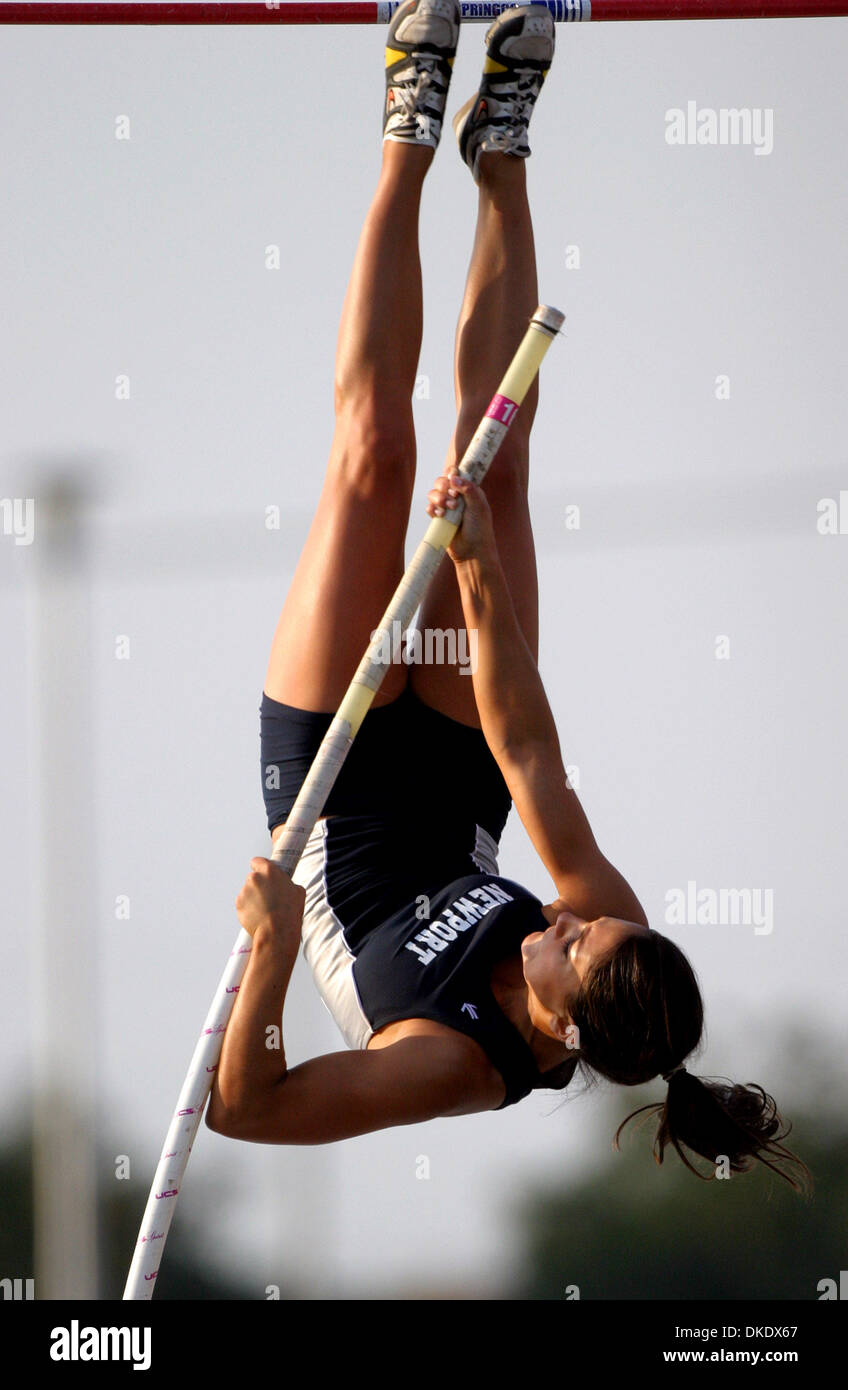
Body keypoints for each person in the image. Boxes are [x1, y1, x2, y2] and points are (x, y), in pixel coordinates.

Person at [206, 0, 808, 1193]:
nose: (573, 915)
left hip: (331, 791)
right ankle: (501, 148)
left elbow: (248, 1108)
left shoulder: (448, 1065)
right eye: (594, 921)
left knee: (375, 453)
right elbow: (529, 753)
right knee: (496, 467)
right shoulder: (613, 933)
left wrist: (271, 953)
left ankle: (403, 122)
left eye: (574, 944)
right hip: (454, 758)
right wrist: (477, 575)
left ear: (563, 1029)